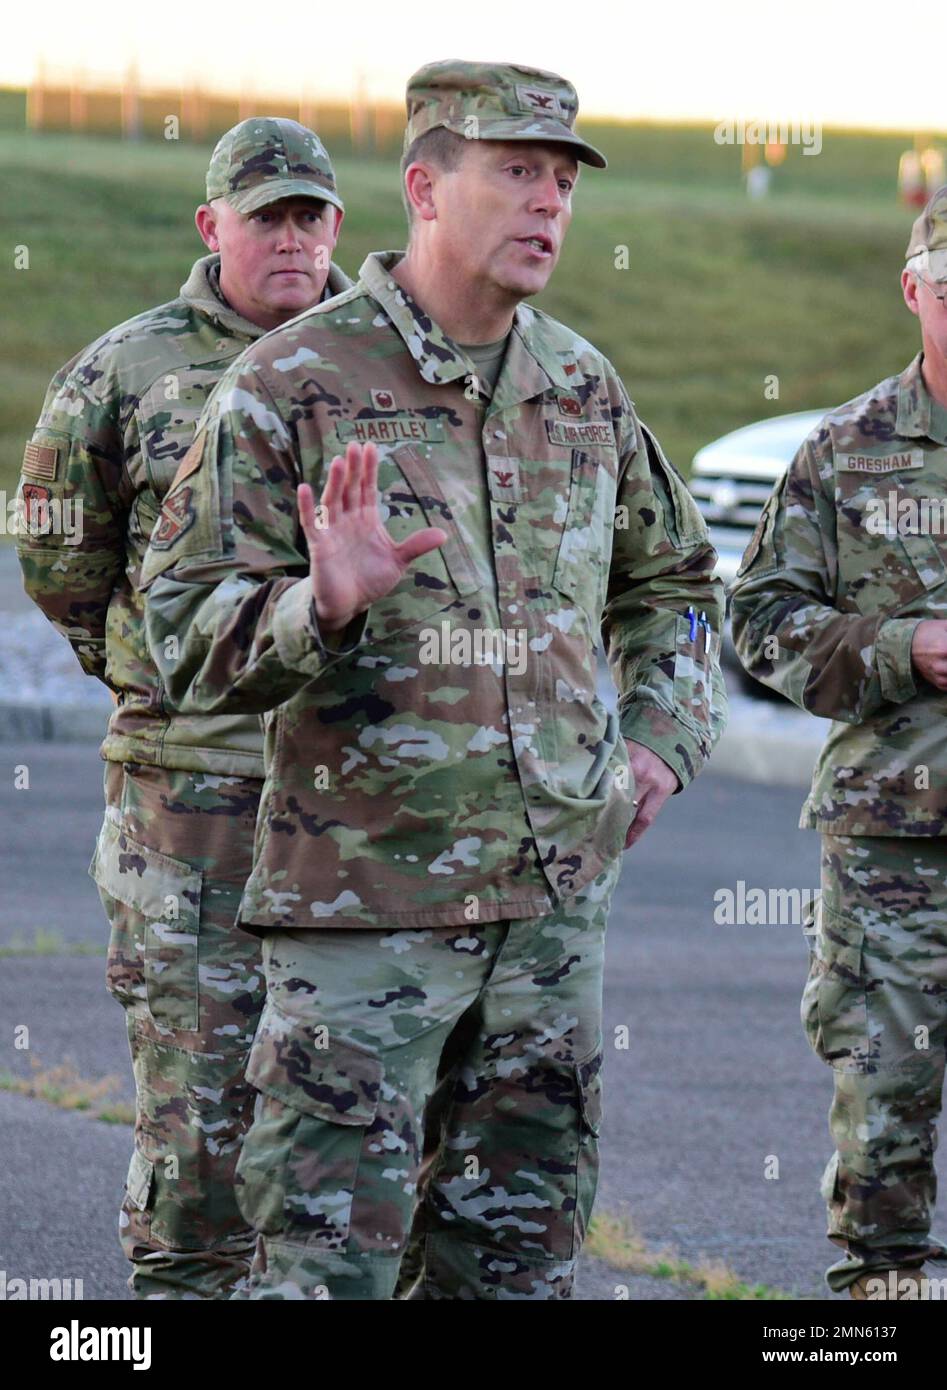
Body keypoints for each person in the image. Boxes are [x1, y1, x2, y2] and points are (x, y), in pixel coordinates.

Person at [140, 60, 726, 1300]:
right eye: (515, 171)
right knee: (325, 1270)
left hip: (550, 928)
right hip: (365, 926)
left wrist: (660, 739)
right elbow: (180, 631)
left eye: (561, 181)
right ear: (422, 185)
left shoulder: (579, 385)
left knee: (511, 1267)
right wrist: (321, 603)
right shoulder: (292, 385)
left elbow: (675, 583)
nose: (548, 206)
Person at [15, 116, 348, 1299]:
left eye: (312, 217)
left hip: (357, 807)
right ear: (212, 227)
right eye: (268, 218)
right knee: (200, 1127)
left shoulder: (390, 361)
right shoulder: (126, 369)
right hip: (189, 809)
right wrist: (152, 675)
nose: (293, 240)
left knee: (343, 1145)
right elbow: (58, 552)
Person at [731, 184, 947, 1299]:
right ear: (913, 291)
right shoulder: (845, 452)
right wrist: (896, 645)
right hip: (894, 841)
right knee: (886, 1093)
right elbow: (757, 622)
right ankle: (884, 1296)